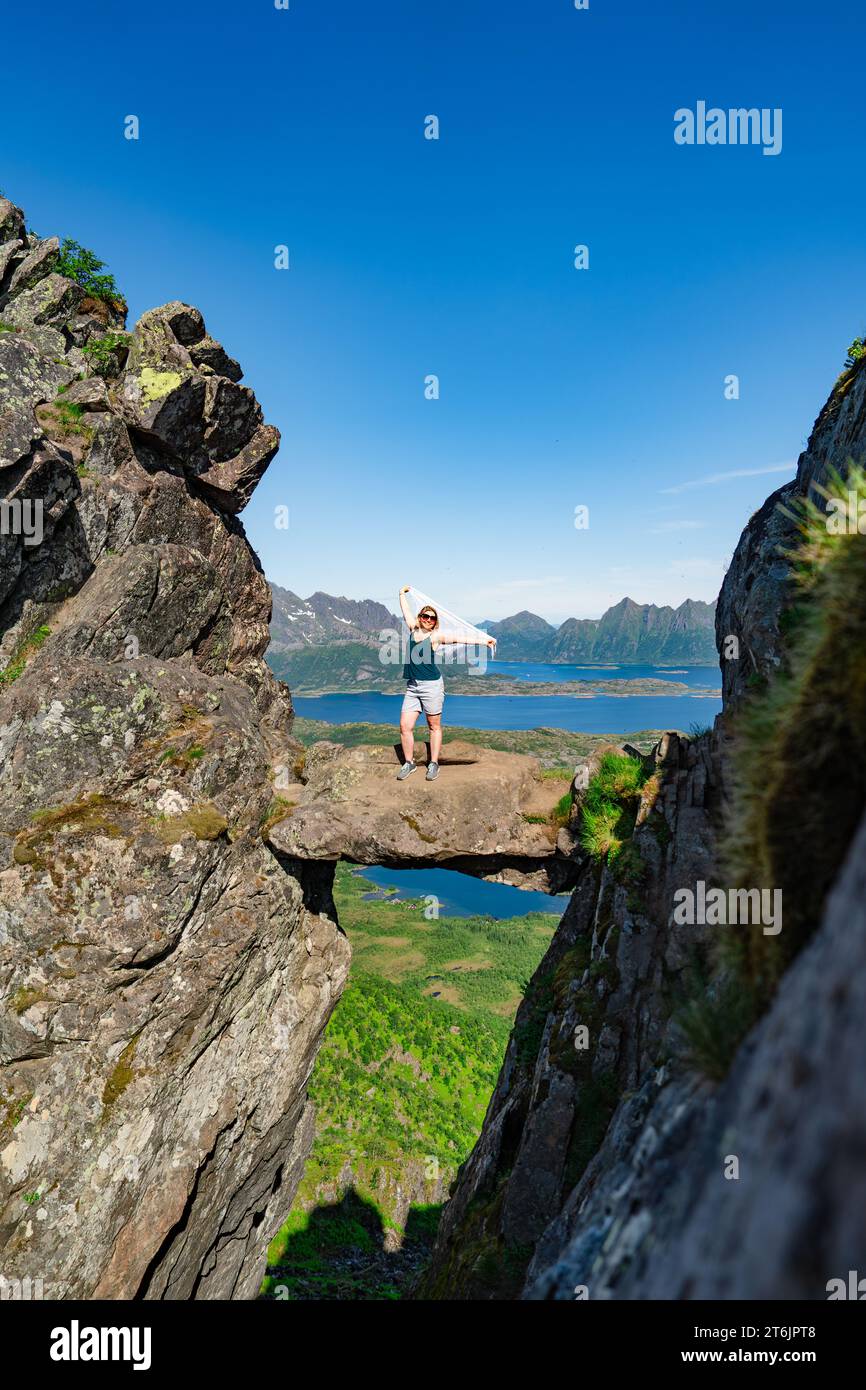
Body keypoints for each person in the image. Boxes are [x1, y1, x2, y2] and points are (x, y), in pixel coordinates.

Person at [396, 585, 495, 781]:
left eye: (432, 618)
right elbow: (405, 610)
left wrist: (484, 641)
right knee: (404, 726)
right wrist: (401, 594)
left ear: (435, 623)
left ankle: (433, 764)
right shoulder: (412, 629)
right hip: (413, 686)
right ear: (420, 617)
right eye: (425, 616)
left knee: (434, 726)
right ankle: (409, 763)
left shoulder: (436, 637)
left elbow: (460, 638)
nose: (428, 620)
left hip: (431, 686)